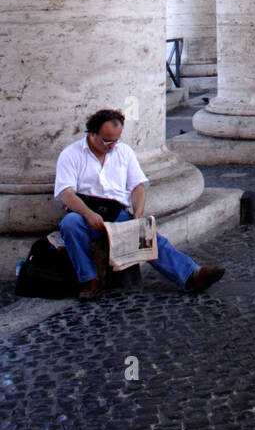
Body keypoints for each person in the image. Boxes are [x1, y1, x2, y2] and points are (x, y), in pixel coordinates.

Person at [54, 108, 226, 301]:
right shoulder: (71, 154)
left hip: (116, 211)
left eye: (115, 140)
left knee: (148, 236)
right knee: (70, 224)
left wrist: (137, 214)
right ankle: (89, 279)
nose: (111, 146)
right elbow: (65, 193)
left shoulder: (124, 152)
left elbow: (138, 187)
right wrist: (88, 214)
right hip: (84, 212)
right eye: (106, 141)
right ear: (92, 133)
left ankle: (191, 275)